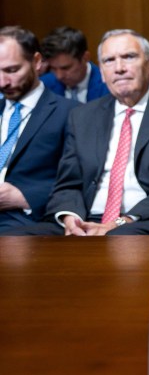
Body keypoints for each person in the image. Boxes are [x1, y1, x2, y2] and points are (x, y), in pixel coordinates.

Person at [17, 30, 149, 235]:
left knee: (118, 238)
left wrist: (120, 222)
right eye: (109, 61)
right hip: (87, 219)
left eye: (129, 57)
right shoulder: (82, 116)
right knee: (15, 239)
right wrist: (69, 217)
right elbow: (68, 183)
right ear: (101, 73)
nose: (119, 68)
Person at [0, 27, 78, 233]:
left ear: (36, 62)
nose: (2, 82)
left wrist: (25, 197)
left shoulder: (71, 113)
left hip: (25, 218)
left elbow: (80, 179)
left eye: (12, 70)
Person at [39, 26, 109, 103]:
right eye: (53, 68)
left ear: (85, 58)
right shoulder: (43, 85)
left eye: (66, 68)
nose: (59, 76)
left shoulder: (108, 84)